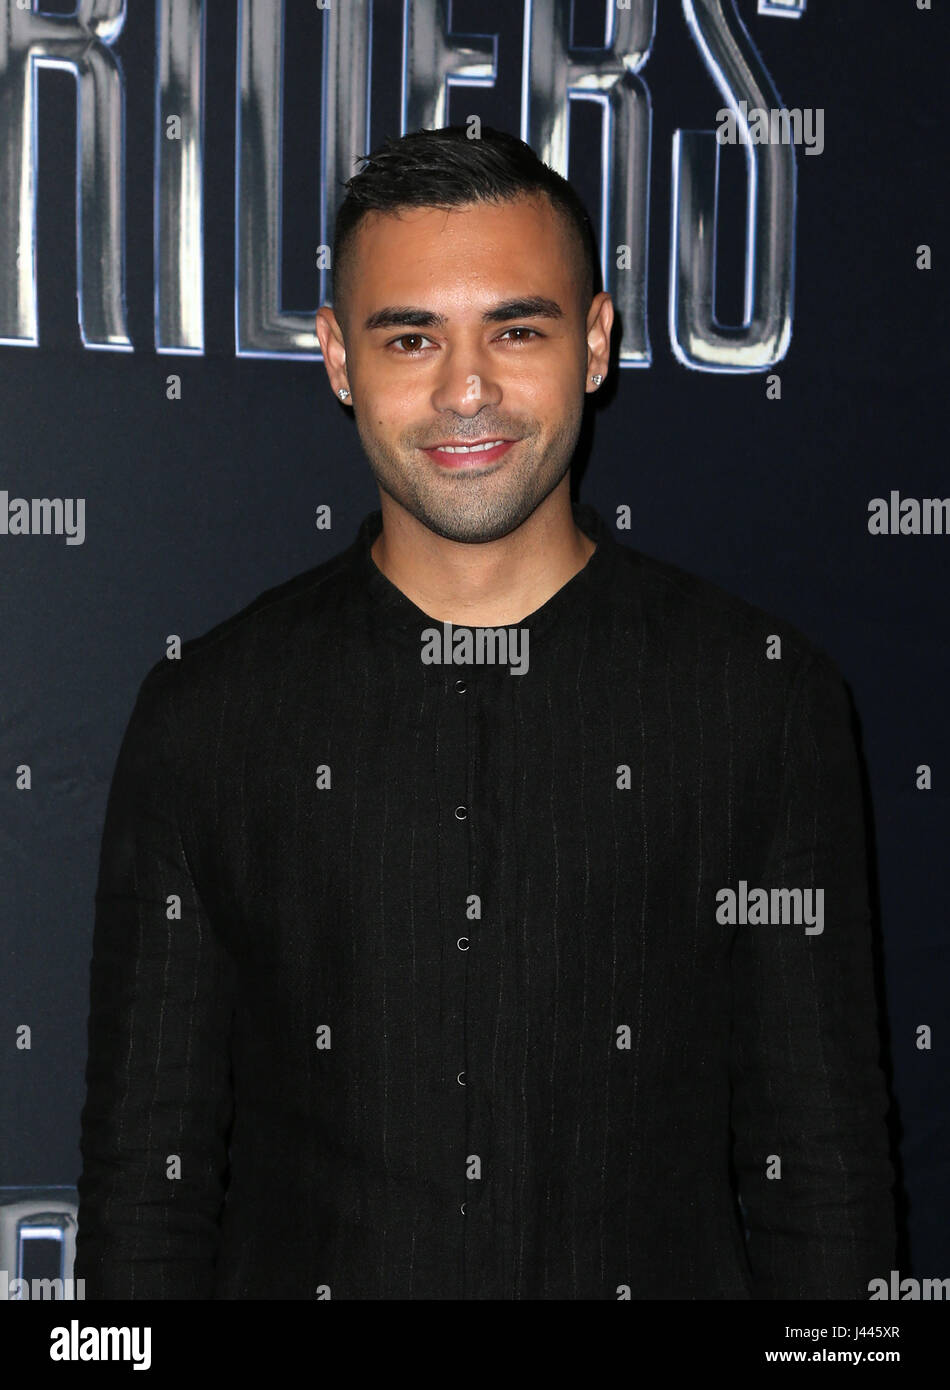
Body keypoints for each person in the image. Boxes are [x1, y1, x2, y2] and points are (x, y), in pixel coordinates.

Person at [75, 124, 896, 1299]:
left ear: (595, 344)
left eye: (516, 329)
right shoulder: (208, 715)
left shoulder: (756, 697)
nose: (467, 388)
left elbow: (823, 1185)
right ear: (336, 360)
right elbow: (140, 1210)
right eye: (410, 336)